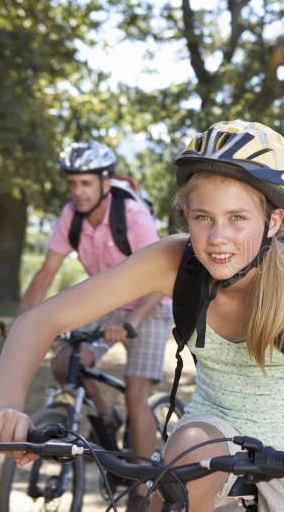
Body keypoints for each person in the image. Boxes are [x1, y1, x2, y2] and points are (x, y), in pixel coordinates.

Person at [0, 120, 284, 512]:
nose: (218, 237)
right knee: (179, 467)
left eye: (238, 218)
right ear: (187, 215)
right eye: (203, 217)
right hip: (211, 427)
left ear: (272, 221)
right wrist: (3, 406)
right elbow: (40, 320)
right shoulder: (173, 261)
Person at [16, 140, 171, 511]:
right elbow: (46, 272)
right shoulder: (71, 216)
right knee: (65, 363)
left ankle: (142, 489)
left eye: (86, 183)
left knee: (135, 392)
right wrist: (23, 323)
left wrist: (131, 322)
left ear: (105, 183)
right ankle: (105, 415)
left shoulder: (132, 215)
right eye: (73, 183)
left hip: (150, 303)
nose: (78, 191)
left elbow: (162, 274)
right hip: (106, 301)